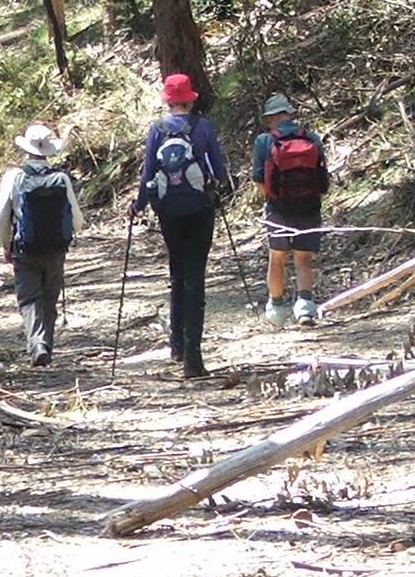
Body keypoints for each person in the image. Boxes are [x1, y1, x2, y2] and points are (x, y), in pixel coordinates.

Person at [133, 73, 231, 378]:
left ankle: (176, 344)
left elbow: (149, 171)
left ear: (168, 101)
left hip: (168, 209)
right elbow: (218, 168)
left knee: (177, 272)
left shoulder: (157, 129)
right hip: (199, 207)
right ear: (190, 99)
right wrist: (222, 189)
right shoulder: (203, 127)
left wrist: (138, 205)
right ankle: (193, 356)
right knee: (194, 276)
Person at [0, 122, 83, 366]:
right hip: (56, 249)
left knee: (29, 298)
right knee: (49, 299)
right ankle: (47, 347)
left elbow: (3, 217)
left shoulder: (14, 177)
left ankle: (38, 344)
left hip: (25, 248)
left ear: (27, 149)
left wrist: (5, 244)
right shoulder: (61, 178)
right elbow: (77, 221)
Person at [250, 93, 329, 326]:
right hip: (309, 206)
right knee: (303, 258)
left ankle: (276, 311)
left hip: (279, 208)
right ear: (290, 114)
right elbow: (322, 180)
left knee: (277, 258)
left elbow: (258, 179)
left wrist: (272, 197)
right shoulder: (312, 138)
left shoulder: (264, 142)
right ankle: (305, 308)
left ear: (272, 117)